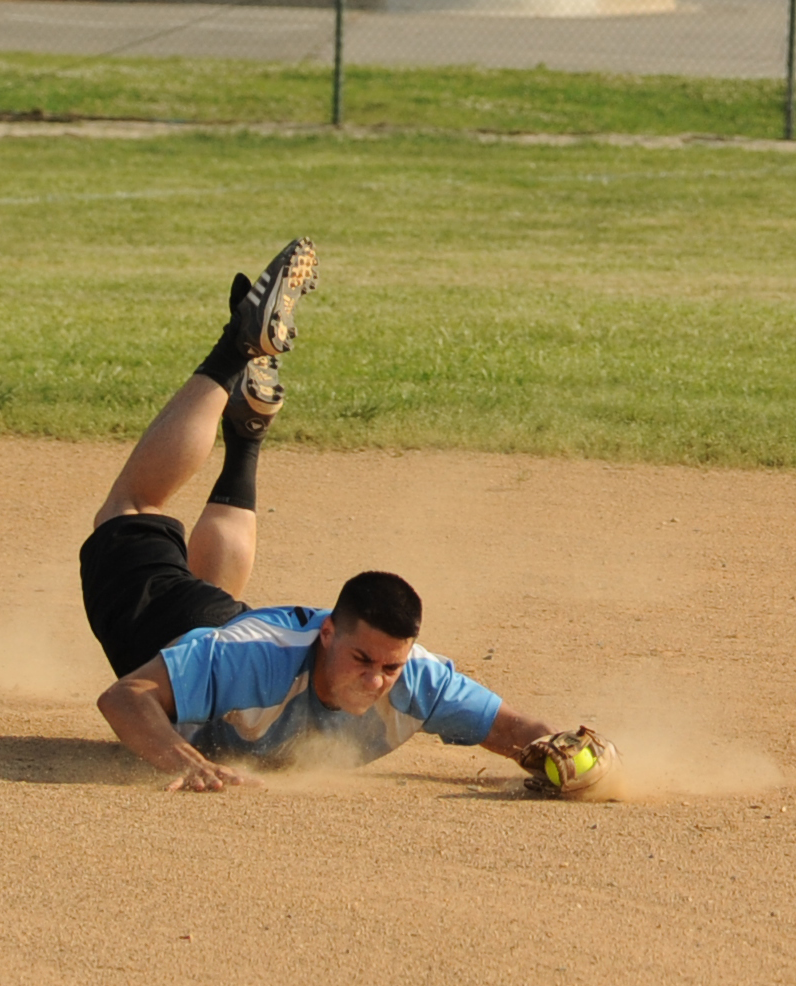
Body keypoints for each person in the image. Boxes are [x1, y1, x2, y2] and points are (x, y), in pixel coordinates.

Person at [81, 238, 556, 791]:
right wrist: (186, 762)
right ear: (327, 634)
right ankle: (234, 350)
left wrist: (578, 758)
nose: (375, 680)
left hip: (224, 629)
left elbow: (521, 731)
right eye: (362, 659)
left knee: (217, 604)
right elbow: (123, 697)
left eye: (389, 666)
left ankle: (248, 435)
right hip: (182, 632)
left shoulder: (415, 679)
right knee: (131, 508)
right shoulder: (248, 664)